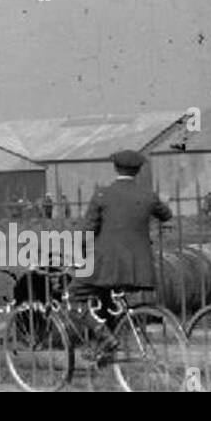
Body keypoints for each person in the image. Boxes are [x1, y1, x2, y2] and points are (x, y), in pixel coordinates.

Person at [67, 149, 171, 351]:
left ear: (115, 168)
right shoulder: (148, 196)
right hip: (138, 269)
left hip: (107, 265)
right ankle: (109, 353)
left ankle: (103, 335)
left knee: (73, 296)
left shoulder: (103, 194)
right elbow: (166, 215)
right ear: (139, 170)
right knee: (107, 299)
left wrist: (77, 255)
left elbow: (87, 230)